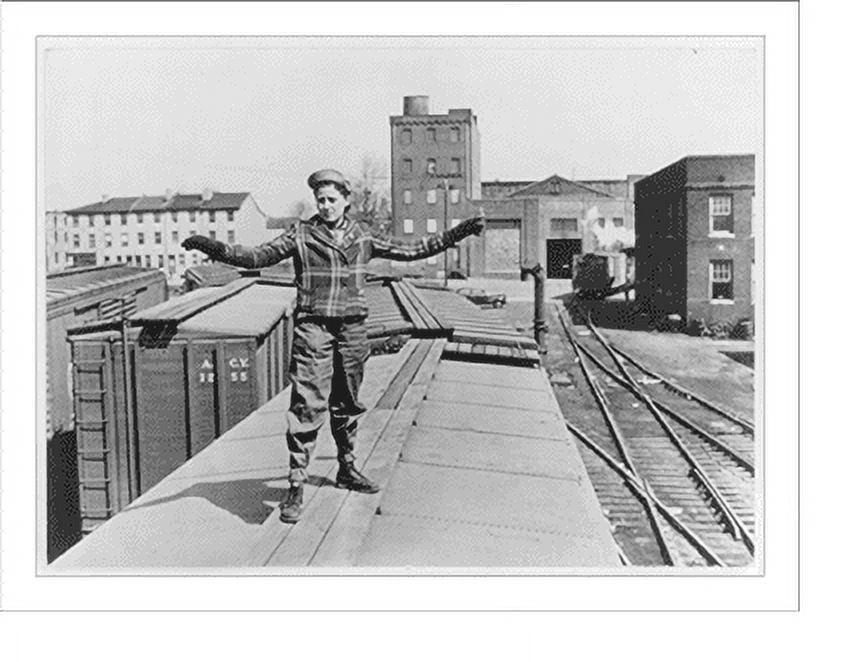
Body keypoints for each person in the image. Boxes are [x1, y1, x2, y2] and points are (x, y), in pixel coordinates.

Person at [182, 169, 484, 523]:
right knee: (307, 404)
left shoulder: (363, 236)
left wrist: (460, 231)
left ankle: (347, 467)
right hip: (314, 328)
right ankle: (295, 485)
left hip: (352, 328)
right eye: (320, 200)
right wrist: (209, 246)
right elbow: (254, 257)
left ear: (346, 201)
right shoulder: (301, 234)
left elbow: (414, 250)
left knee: (347, 402)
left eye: (331, 200)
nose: (325, 206)